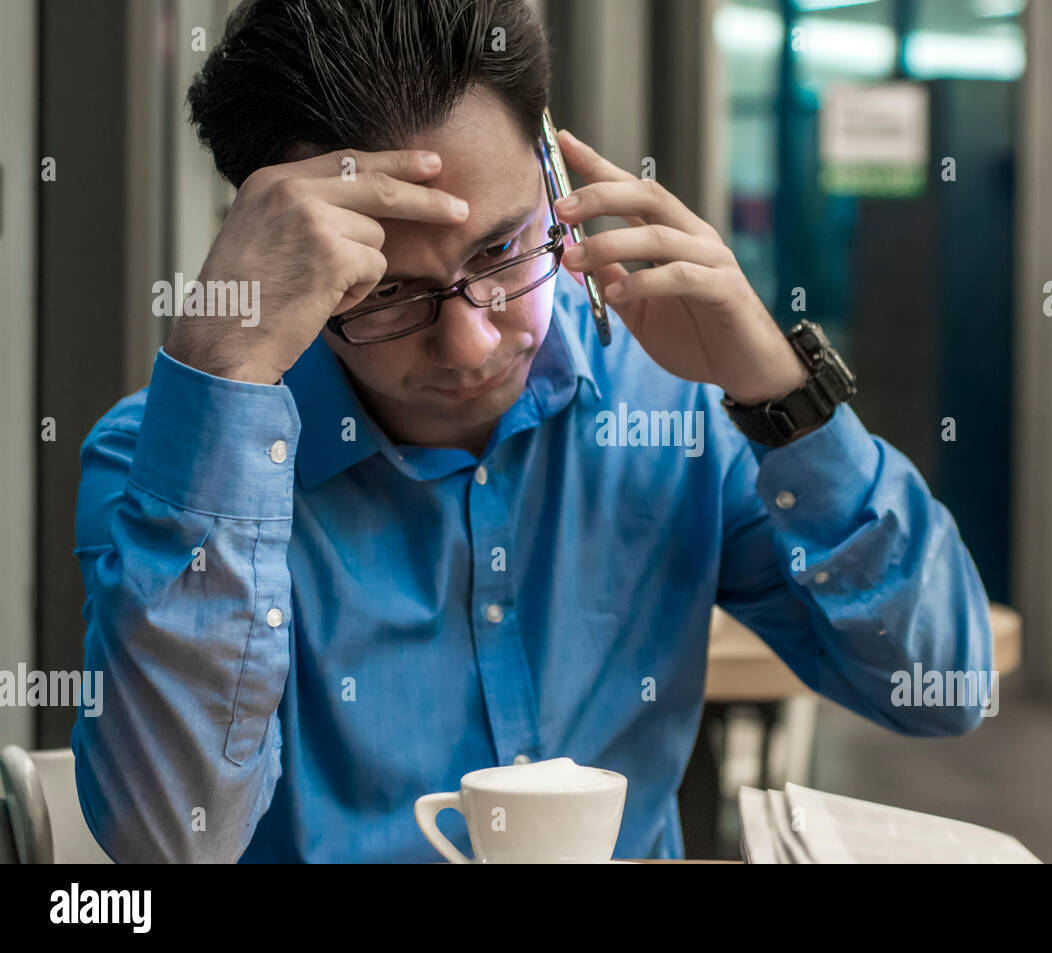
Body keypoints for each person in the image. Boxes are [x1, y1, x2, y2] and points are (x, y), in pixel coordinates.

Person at [72, 0, 993, 863]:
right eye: (388, 293)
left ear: (556, 170)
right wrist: (220, 373)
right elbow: (168, 845)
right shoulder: (167, 463)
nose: (472, 342)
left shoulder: (673, 411)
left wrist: (784, 399)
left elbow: (944, 686)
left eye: (503, 249)